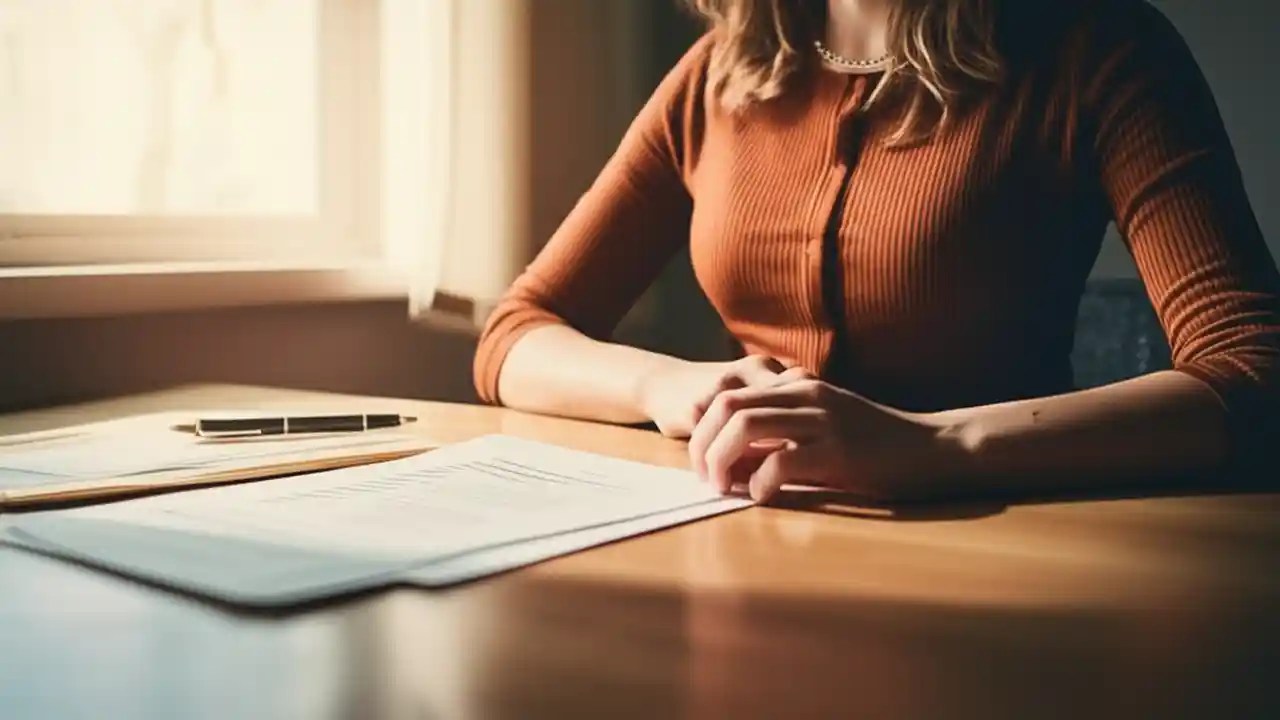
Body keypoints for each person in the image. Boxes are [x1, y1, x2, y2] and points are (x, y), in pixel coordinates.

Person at [473, 0, 1280, 504]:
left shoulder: (1099, 50)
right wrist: (669, 385)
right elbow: (516, 334)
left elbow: (1256, 374)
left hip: (1010, 561)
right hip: (743, 540)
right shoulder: (719, 75)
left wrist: (937, 446)